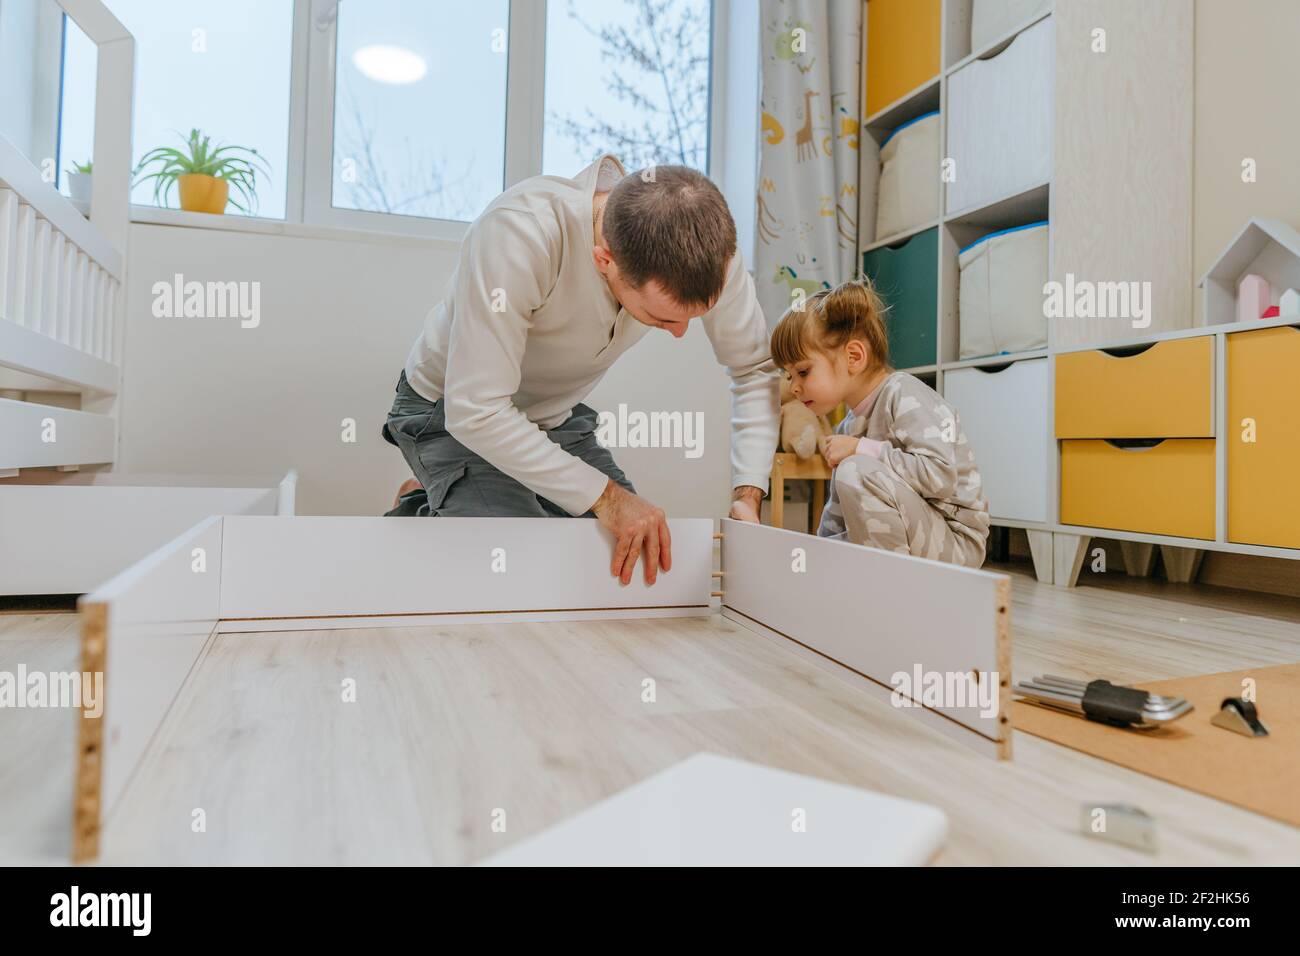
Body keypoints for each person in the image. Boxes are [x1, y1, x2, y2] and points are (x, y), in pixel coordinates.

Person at [383, 155, 781, 585]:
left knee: (626, 557)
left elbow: (754, 369)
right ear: (604, 259)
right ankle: (430, 500)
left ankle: (443, 495)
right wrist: (608, 498)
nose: (681, 332)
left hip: (553, 418)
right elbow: (476, 410)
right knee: (515, 569)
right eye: (663, 318)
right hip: (447, 413)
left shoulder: (712, 249)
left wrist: (749, 494)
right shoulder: (518, 233)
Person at [770, 280, 989, 566]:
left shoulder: (905, 393)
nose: (795, 387)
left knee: (855, 471)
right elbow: (838, 514)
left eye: (802, 371)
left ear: (854, 357)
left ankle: (891, 591)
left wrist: (863, 449)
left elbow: (940, 477)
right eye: (789, 377)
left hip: (955, 541)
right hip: (912, 533)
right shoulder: (848, 427)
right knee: (833, 530)